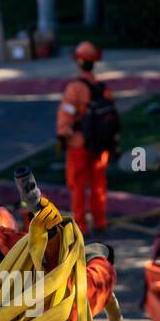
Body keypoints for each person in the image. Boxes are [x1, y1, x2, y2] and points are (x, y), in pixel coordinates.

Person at [56, 41, 116, 235]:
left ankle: (80, 225)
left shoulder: (75, 88)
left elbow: (66, 115)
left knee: (78, 185)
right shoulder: (102, 88)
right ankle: (100, 222)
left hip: (79, 144)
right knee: (99, 183)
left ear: (80, 62)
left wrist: (62, 135)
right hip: (101, 144)